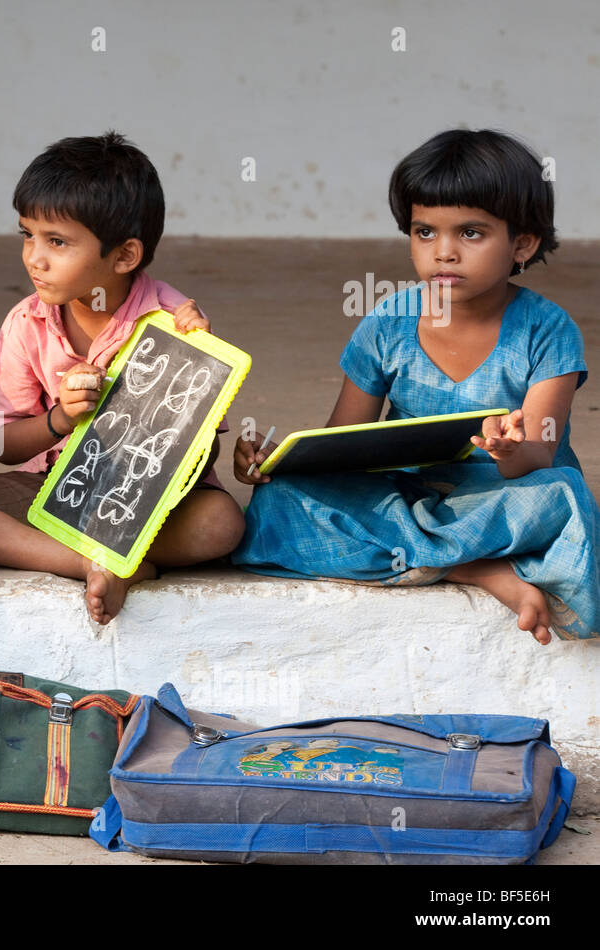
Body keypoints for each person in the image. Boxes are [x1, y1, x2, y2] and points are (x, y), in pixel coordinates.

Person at [233, 128, 598, 645]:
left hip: (499, 494)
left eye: (470, 233)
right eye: (425, 232)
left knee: (562, 500)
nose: (443, 253)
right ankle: (475, 569)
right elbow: (343, 439)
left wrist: (507, 449)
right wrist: (272, 462)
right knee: (280, 501)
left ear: (522, 243)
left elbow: (538, 454)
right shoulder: (387, 323)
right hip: (403, 491)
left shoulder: (547, 330)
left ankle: (418, 554)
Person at [0, 133, 246, 625]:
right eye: (27, 234)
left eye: (56, 242)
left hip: (148, 502)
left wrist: (184, 372)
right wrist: (59, 420)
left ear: (124, 256)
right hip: (52, 490)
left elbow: (203, 453)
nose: (34, 258)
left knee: (221, 524)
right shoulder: (27, 322)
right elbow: (3, 443)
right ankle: (91, 562)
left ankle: (83, 551)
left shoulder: (175, 324)